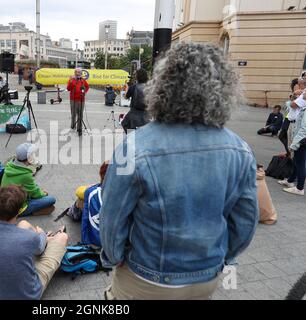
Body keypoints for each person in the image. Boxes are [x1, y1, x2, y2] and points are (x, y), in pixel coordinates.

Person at [100, 43, 258, 300]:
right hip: (206, 275)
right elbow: (245, 222)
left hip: (147, 276)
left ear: (163, 85)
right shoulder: (240, 150)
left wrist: (113, 257)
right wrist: (224, 257)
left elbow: (112, 217)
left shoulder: (136, 146)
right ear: (224, 90)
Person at [0, 185, 68, 300]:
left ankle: (46, 238)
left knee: (24, 224)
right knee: (62, 237)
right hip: (28, 295)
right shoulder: (27, 237)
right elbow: (40, 249)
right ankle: (50, 237)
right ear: (19, 210)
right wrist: (41, 234)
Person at [1, 143, 56, 216]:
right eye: (31, 155)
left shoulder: (10, 165)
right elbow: (35, 194)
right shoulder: (25, 175)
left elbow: (28, 187)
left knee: (40, 194)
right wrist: (43, 193)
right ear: (27, 158)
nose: (33, 157)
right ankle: (28, 212)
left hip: (5, 203)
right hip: (17, 208)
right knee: (51, 199)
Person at [279, 97, 306, 196]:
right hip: (301, 140)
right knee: (297, 161)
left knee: (301, 163)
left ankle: (299, 188)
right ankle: (290, 181)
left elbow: (304, 129)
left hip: (301, 141)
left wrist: (294, 144)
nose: (303, 94)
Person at [121, 69, 150, 133]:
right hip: (146, 114)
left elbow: (126, 97)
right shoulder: (150, 87)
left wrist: (127, 87)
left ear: (137, 77)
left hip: (134, 113)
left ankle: (132, 139)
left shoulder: (133, 87)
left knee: (125, 124)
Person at [67, 68, 90, 136]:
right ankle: (73, 126)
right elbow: (68, 88)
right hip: (73, 99)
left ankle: (79, 128)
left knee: (80, 114)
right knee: (73, 114)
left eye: (80, 72)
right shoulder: (71, 79)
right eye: (77, 72)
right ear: (75, 73)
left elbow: (87, 87)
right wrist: (72, 81)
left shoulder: (83, 80)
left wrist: (84, 92)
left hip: (81, 100)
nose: (78, 73)